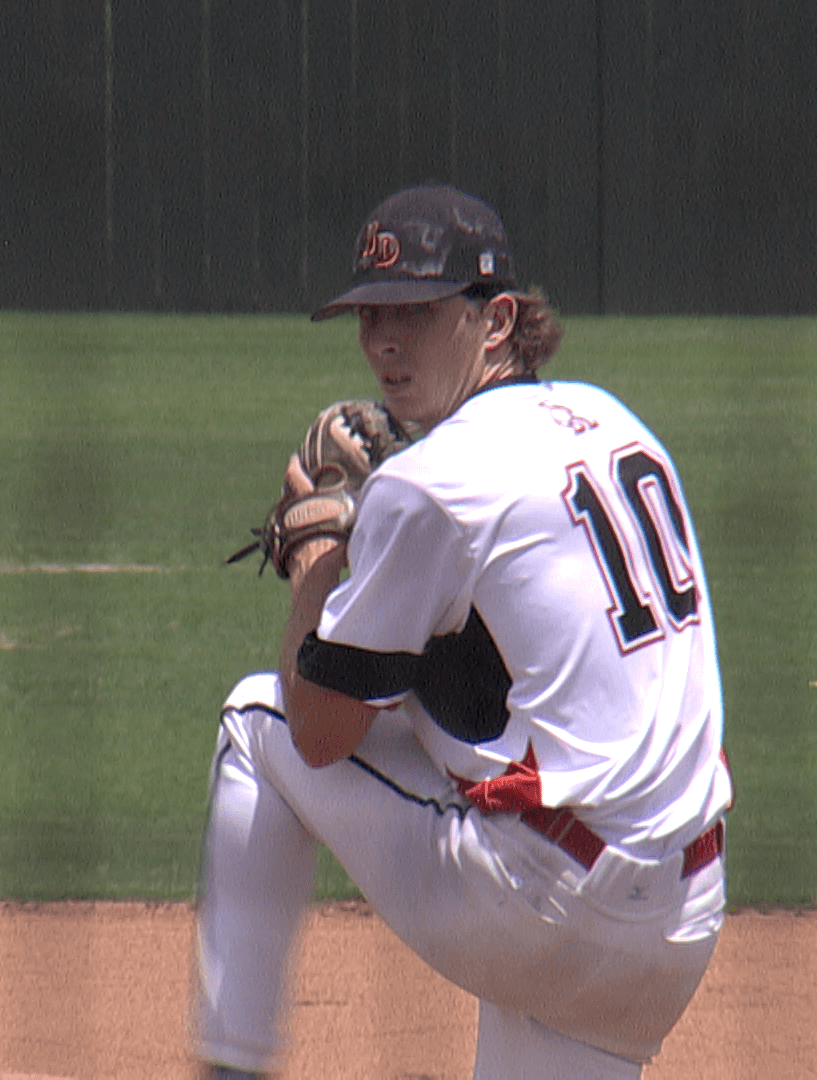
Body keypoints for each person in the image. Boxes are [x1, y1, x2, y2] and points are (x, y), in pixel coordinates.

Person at [193, 184, 733, 1079]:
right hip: (681, 927)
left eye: (416, 311)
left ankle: (232, 1066)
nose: (383, 342)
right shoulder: (615, 422)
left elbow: (320, 735)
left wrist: (317, 554)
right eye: (370, 315)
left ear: (498, 320)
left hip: (547, 910)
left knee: (259, 720)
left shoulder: (431, 483)